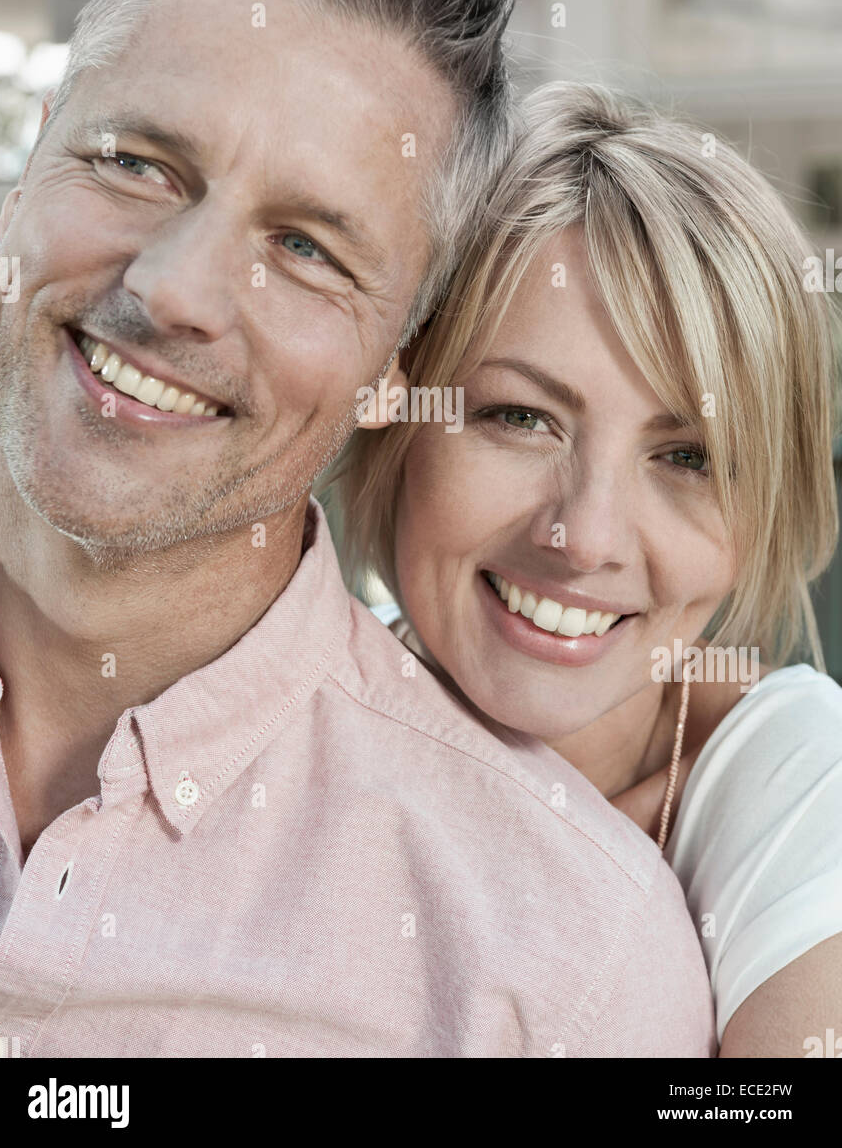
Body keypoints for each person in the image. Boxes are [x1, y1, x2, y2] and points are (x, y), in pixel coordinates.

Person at [0, 0, 714, 1058]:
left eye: (310, 249)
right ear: (30, 166)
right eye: (136, 163)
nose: (172, 293)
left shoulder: (564, 968)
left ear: (399, 370)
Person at [337, 78, 842, 1058]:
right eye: (520, 417)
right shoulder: (256, 727)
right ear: (396, 410)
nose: (588, 534)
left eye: (687, 456)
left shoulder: (798, 776)